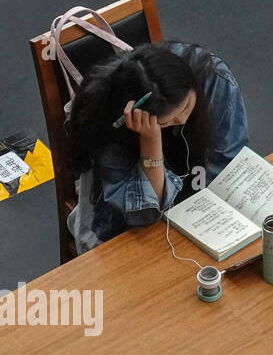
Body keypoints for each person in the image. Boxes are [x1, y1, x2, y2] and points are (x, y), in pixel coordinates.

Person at [64, 42, 249, 254]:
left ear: (190, 81)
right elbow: (143, 216)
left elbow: (230, 161)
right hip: (134, 227)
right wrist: (151, 141)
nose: (180, 120)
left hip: (201, 213)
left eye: (186, 106)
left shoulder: (213, 78)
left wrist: (201, 209)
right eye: (165, 123)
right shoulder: (108, 121)